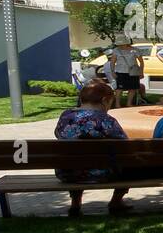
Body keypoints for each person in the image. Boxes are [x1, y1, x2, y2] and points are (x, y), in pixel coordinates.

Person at [54, 80, 134, 217]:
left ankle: (75, 203)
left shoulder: (65, 116)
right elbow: (124, 144)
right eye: (110, 103)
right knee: (129, 163)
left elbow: (57, 133)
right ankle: (116, 201)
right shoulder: (106, 120)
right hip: (102, 173)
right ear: (104, 100)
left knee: (76, 160)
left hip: (67, 173)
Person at [108, 39, 142, 108]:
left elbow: (141, 62)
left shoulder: (135, 50)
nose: (120, 46)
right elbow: (112, 62)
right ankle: (117, 104)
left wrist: (141, 72)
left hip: (133, 72)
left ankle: (129, 103)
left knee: (133, 88)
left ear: (126, 44)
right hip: (121, 72)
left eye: (122, 44)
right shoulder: (116, 50)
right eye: (119, 45)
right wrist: (112, 72)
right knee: (119, 89)